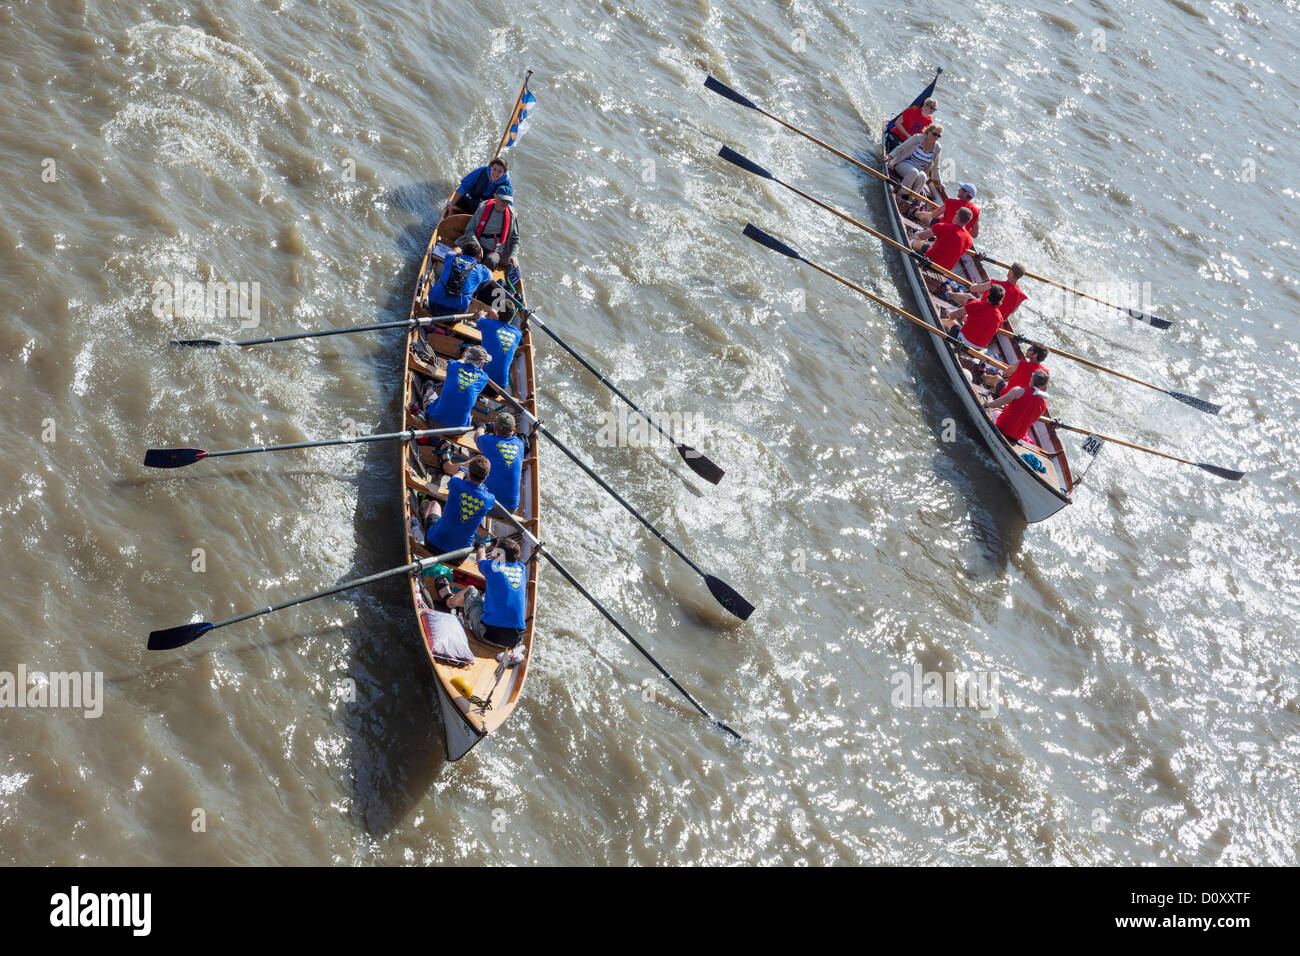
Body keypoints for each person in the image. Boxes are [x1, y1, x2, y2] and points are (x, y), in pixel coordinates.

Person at [445, 538, 528, 648]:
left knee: (470, 590)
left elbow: (481, 560)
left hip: (488, 635)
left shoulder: (492, 567)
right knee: (486, 595)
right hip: (515, 641)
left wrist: (481, 546)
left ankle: (449, 602)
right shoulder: (521, 569)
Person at [419, 454, 496, 554]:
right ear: (486, 476)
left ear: (469, 473)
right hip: (459, 556)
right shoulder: (490, 499)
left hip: (433, 544)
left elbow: (457, 475)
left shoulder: (456, 484)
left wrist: (463, 470)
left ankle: (424, 518)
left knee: (434, 504)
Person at [420, 345, 492, 429]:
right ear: (480, 363)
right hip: (458, 431)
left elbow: (459, 362)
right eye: (484, 362)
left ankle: (429, 387)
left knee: (430, 390)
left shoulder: (453, 365)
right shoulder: (484, 378)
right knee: (466, 410)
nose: (484, 364)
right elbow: (479, 371)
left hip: (434, 421)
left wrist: (466, 355)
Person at [425, 238, 493, 318]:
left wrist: (456, 251)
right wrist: (484, 267)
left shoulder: (451, 257)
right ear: (478, 258)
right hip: (457, 313)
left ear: (462, 252)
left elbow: (450, 253)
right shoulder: (481, 270)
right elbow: (491, 277)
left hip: (434, 305)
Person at [475, 411, 526, 513]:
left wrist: (481, 427)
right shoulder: (520, 444)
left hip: (486, 505)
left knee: (475, 464)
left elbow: (477, 437)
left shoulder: (488, 441)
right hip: (511, 509)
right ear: (514, 430)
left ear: (494, 429)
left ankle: (447, 465)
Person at [983, 369, 1050, 443]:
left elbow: (996, 404)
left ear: (1032, 379)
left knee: (992, 409)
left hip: (1002, 428)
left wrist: (988, 403)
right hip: (1018, 436)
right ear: (1043, 385)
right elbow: (1032, 418)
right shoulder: (1044, 402)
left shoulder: (1019, 391)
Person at [458, 192, 518, 271]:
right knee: (466, 259)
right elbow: (469, 230)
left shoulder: (512, 214)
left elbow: (516, 239)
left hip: (495, 250)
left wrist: (513, 255)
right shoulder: (483, 207)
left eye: (508, 201)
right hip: (478, 242)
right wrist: (478, 247)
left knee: (491, 261)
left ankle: (482, 281)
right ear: (495, 197)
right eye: (503, 200)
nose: (505, 204)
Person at [885, 124, 943, 200]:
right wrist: (889, 157)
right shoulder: (917, 138)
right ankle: (900, 195)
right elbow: (901, 147)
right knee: (914, 172)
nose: (936, 137)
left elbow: (936, 167)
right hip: (904, 163)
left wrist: (940, 183)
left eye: (939, 136)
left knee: (924, 177)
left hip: (920, 169)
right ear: (928, 131)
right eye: (934, 134)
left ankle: (911, 200)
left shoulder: (937, 147)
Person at [943, 283, 1006, 349]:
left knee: (950, 321)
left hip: (961, 341)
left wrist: (948, 311)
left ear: (988, 294)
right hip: (977, 349)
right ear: (1000, 301)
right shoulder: (1000, 318)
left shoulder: (977, 304)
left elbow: (952, 316)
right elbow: (984, 328)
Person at [950, 262, 1027, 315]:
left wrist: (976, 286)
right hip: (996, 320)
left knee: (968, 296)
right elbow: (1012, 311)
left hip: (982, 312)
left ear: (1011, 272)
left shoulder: (996, 284)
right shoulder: (1021, 295)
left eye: (1010, 269)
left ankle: (948, 295)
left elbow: (973, 288)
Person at [911, 206, 974, 271]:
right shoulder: (969, 240)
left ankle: (911, 242)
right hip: (945, 270)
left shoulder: (943, 226)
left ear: (957, 217)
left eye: (956, 213)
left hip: (930, 261)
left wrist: (916, 232)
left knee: (918, 242)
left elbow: (921, 236)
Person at [444, 157, 512, 216]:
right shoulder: (480, 172)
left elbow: (508, 206)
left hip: (484, 210)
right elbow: (463, 187)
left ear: (504, 173)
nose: (496, 174)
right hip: (469, 200)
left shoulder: (507, 185)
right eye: (494, 169)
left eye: (500, 171)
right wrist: (452, 203)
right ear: (491, 167)